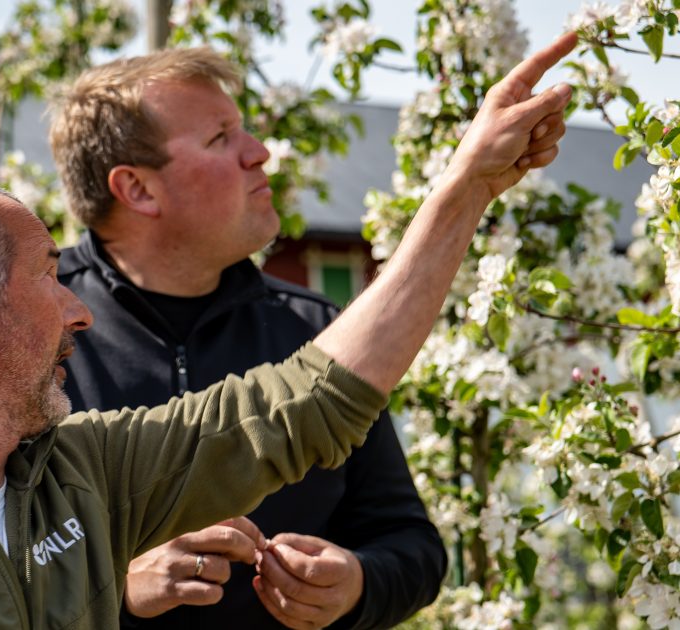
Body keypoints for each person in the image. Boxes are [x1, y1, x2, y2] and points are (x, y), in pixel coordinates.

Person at [0, 32, 575, 630]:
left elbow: (309, 403)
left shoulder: (84, 475)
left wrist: (464, 189)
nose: (77, 309)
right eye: (50, 275)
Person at [49, 47, 445, 629]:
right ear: (137, 189)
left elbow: (411, 546)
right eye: (220, 138)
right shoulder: (34, 330)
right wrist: (111, 586)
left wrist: (357, 583)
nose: (260, 152)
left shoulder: (317, 332)